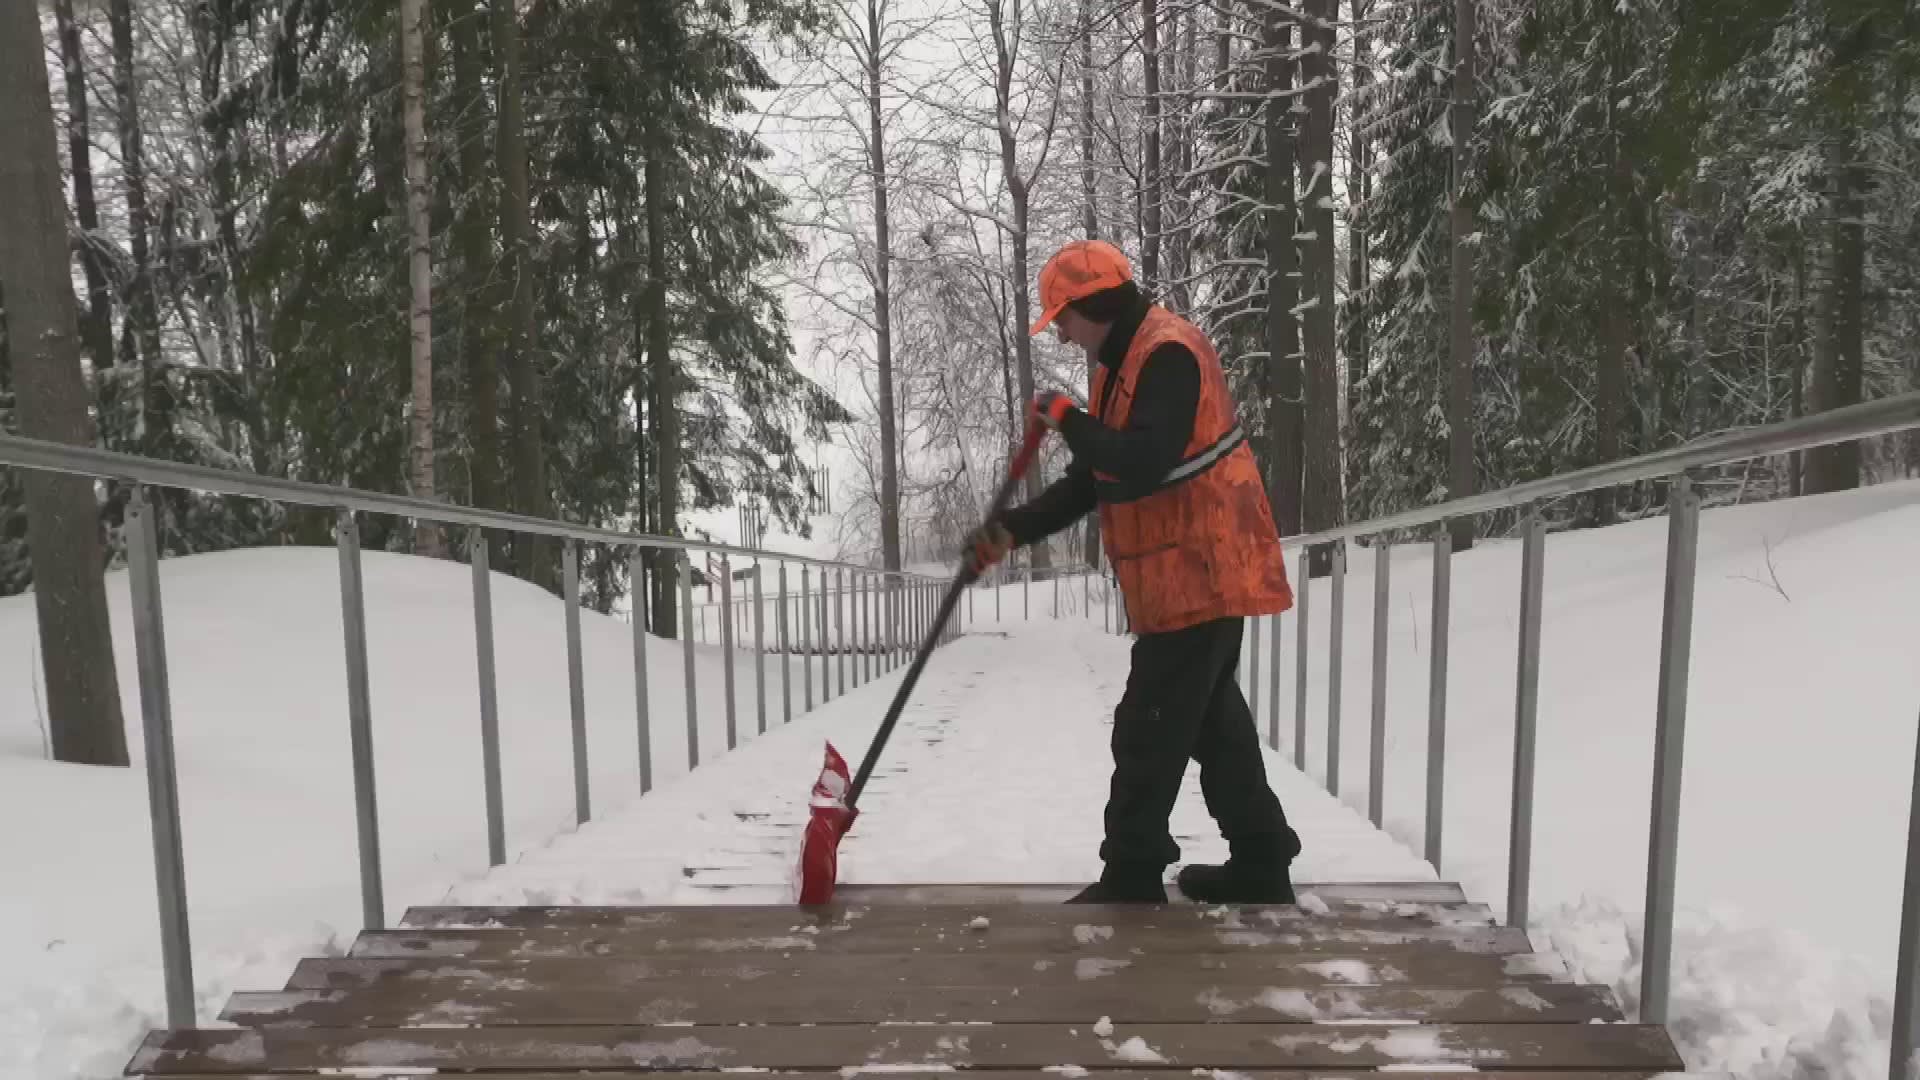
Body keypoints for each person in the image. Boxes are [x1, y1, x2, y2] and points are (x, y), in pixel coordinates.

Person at [967, 238, 1303, 905]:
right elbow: (1097, 476)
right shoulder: (1117, 367)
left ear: (1092, 305)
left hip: (1204, 569)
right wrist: (1012, 530)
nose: (1060, 334)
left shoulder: (1169, 353)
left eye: (1061, 317)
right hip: (1180, 578)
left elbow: (1142, 459)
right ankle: (1262, 861)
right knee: (1212, 727)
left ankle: (1132, 874)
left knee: (1146, 727)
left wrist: (1068, 421)